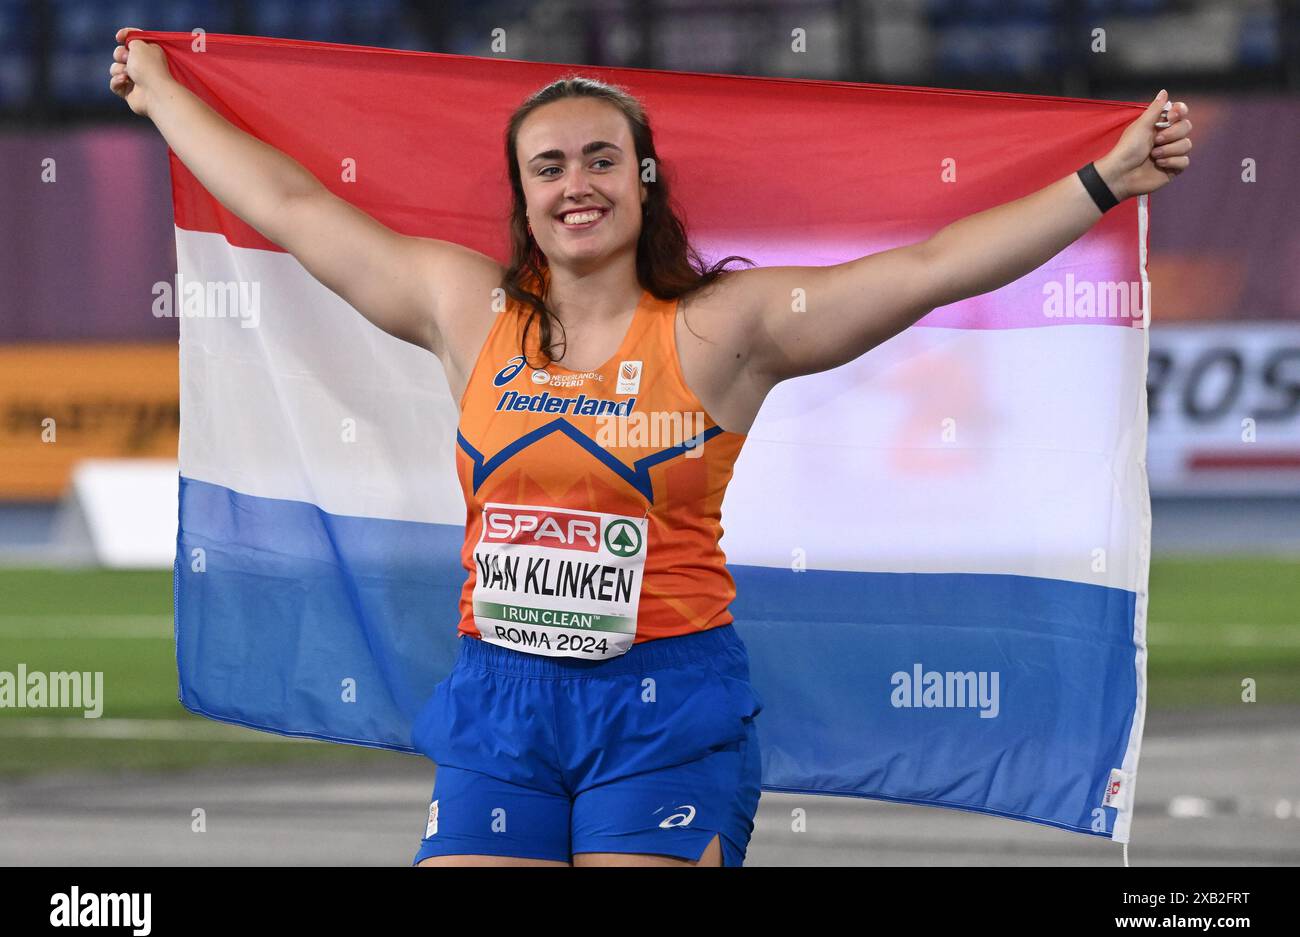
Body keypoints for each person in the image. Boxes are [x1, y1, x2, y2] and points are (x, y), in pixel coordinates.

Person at [109, 26, 1191, 867]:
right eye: (547, 167)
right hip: (499, 695)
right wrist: (161, 93)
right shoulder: (464, 310)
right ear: (522, 197)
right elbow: (294, 205)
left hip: (662, 700)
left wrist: (1102, 180)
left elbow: (930, 267)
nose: (575, 183)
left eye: (600, 160)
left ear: (644, 178)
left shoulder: (724, 328)